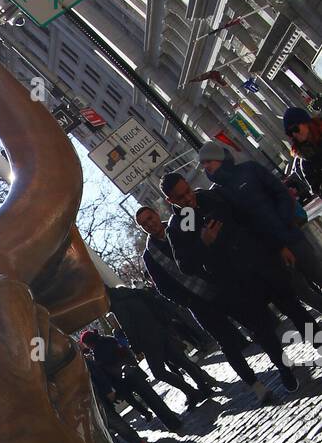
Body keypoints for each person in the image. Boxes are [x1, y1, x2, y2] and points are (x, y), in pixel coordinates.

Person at [160, 172, 307, 395]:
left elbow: (250, 220)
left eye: (188, 191)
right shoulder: (177, 227)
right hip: (236, 285)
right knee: (264, 331)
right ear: (171, 200)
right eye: (181, 198)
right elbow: (185, 265)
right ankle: (284, 367)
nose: (189, 199)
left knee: (296, 310)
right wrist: (203, 244)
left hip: (261, 265)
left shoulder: (214, 197)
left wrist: (278, 246)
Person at [135, 205, 271, 399]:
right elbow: (164, 288)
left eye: (150, 218)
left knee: (256, 323)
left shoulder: (179, 227)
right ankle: (255, 384)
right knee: (227, 344)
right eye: (144, 224)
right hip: (198, 303)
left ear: (157, 215)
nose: (150, 224)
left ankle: (281, 361)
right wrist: (188, 300)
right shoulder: (150, 256)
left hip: (220, 286)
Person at [198, 140, 322, 304]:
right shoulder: (219, 193)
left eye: (209, 160)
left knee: (317, 272)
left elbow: (280, 193)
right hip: (272, 252)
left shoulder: (249, 169)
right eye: (203, 163)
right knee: (302, 291)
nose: (206, 166)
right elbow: (247, 225)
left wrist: (285, 221)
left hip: (290, 235)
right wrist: (276, 246)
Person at [107, 284, 219, 408]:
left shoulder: (118, 303)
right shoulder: (131, 293)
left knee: (159, 372)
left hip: (148, 339)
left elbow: (129, 327)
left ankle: (191, 392)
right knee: (182, 362)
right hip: (160, 330)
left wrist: (136, 347)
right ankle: (203, 387)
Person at [78, 328, 183, 431]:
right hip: (133, 372)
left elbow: (107, 372)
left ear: (89, 343)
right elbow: (126, 352)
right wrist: (134, 366)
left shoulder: (97, 354)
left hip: (123, 381)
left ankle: (170, 423)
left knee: (147, 400)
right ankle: (173, 421)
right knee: (153, 398)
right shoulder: (109, 339)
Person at [81, 342, 152, 443]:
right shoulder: (82, 360)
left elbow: (98, 375)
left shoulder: (82, 361)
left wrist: (108, 391)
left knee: (112, 422)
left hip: (93, 398)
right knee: (110, 424)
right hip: (90, 399)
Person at [283, 106, 322, 200]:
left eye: (295, 129)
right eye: (290, 132)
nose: (294, 134)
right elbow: (315, 187)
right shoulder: (304, 159)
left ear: (306, 123)